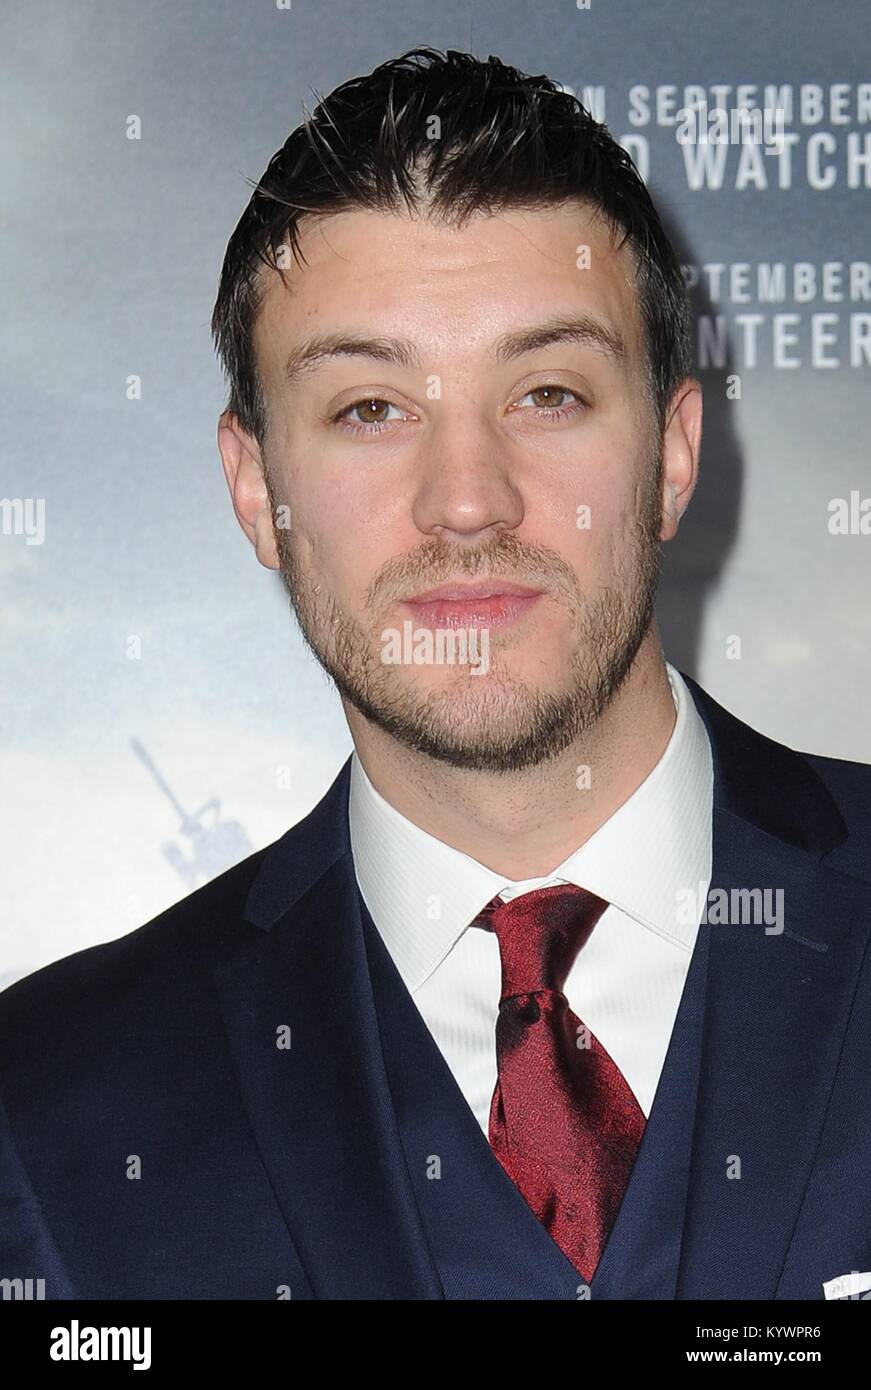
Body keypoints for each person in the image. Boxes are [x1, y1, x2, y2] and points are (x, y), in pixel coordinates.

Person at [2, 47, 870, 1302]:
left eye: (549, 391)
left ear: (673, 457)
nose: (467, 499)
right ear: (257, 492)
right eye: (369, 408)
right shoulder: (54, 1105)